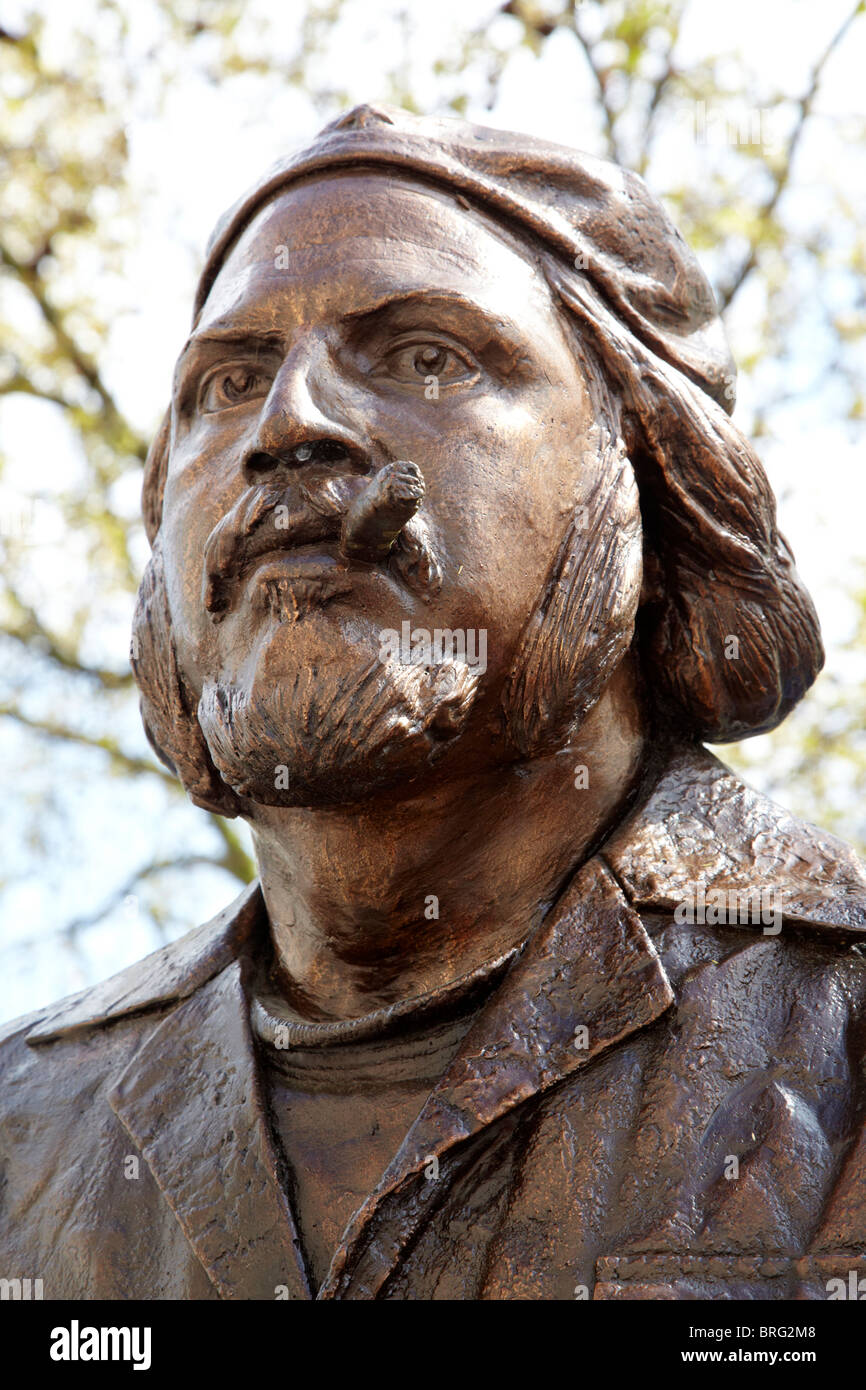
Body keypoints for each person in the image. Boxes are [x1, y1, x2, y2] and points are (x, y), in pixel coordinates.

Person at [2, 105, 865, 1301]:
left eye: (425, 357)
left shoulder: (842, 1023)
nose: (288, 425)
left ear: (648, 480)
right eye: (229, 380)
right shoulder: (25, 1122)